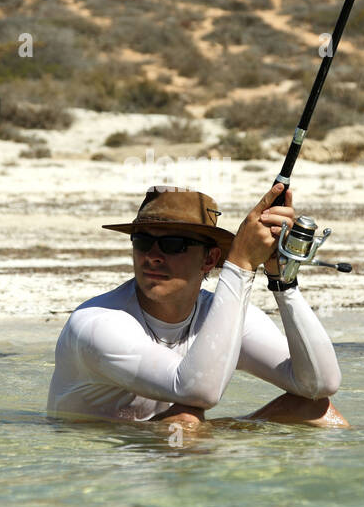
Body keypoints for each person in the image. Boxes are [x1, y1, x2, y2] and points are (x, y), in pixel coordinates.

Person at [47, 183, 347, 427]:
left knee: (315, 410)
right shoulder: (98, 323)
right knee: (186, 420)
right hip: (98, 466)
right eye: (142, 241)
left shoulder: (217, 315)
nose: (152, 255)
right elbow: (199, 392)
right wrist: (241, 264)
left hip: (169, 451)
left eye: (173, 244)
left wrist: (283, 282)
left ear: (209, 259)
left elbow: (319, 384)